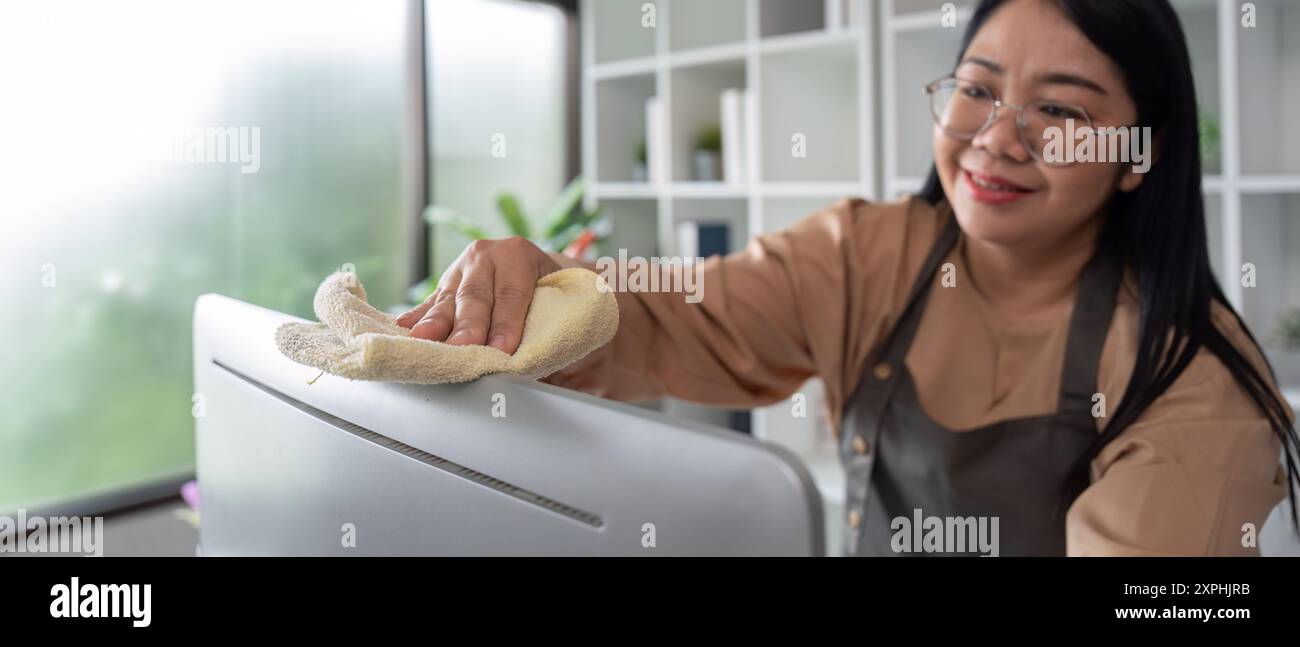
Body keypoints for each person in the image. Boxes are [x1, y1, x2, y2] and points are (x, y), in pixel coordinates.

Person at [397, 0, 1298, 556]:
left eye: (1059, 109)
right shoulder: (873, 254)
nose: (994, 138)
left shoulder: (1196, 389)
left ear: (1139, 154)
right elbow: (685, 313)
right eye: (977, 89)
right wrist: (544, 287)